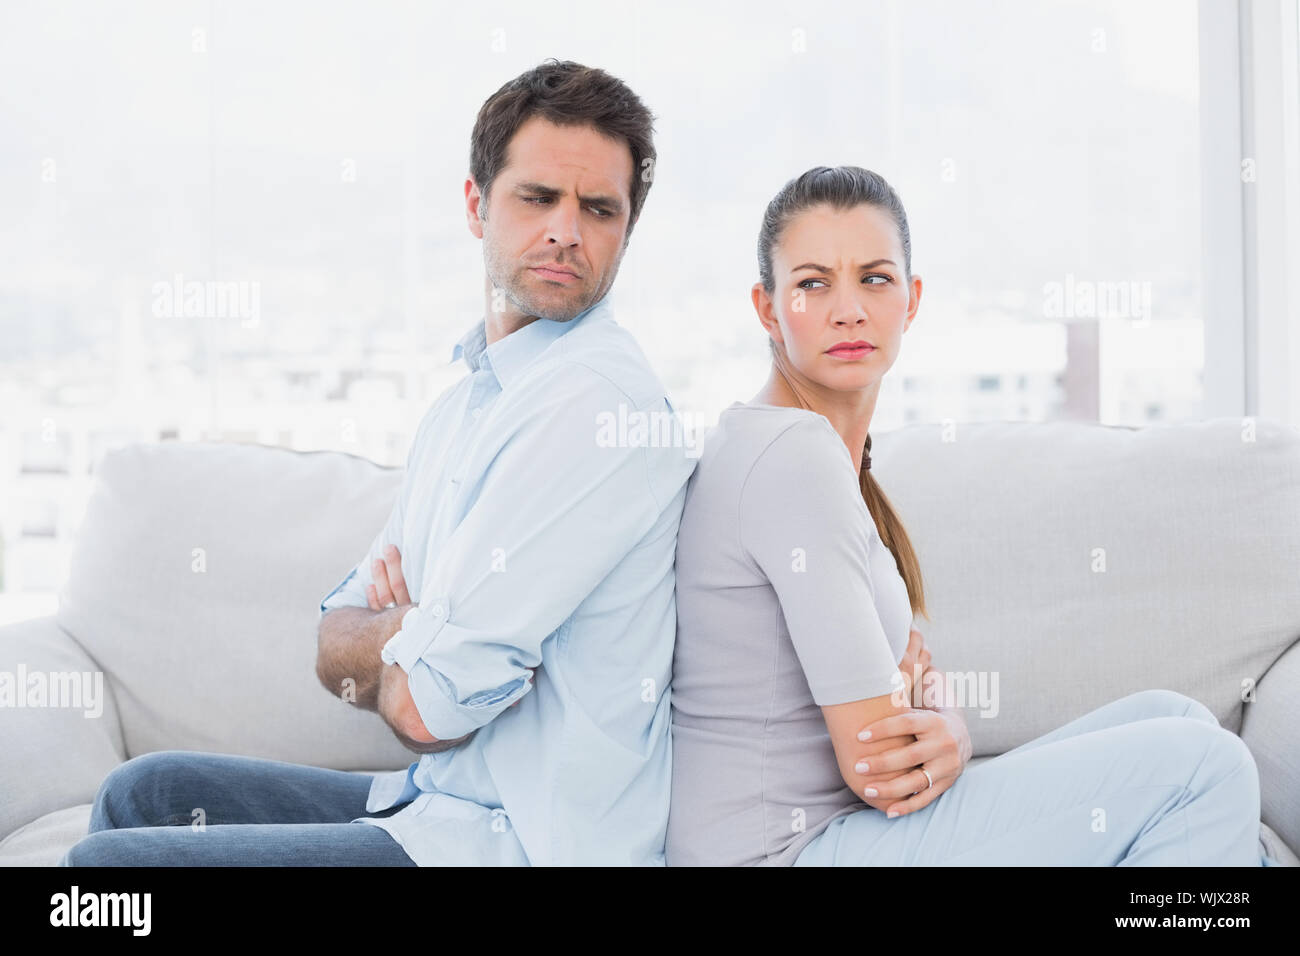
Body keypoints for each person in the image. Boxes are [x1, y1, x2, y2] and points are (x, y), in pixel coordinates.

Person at [61, 59, 696, 867]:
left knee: (105, 877)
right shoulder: (466, 406)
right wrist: (409, 629)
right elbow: (335, 645)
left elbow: (430, 711)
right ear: (477, 204)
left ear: (625, 231)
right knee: (143, 792)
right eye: (538, 197)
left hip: (527, 847)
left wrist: (406, 641)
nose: (567, 231)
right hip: (436, 809)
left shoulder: (600, 405)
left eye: (599, 209)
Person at [666, 165, 1275, 866]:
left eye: (874, 278)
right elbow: (880, 768)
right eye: (811, 283)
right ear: (767, 308)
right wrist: (946, 727)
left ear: (911, 299)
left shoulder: (807, 452)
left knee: (1179, 718)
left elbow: (902, 692)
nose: (848, 309)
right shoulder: (793, 457)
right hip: (791, 853)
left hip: (840, 841)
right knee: (1203, 767)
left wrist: (930, 706)